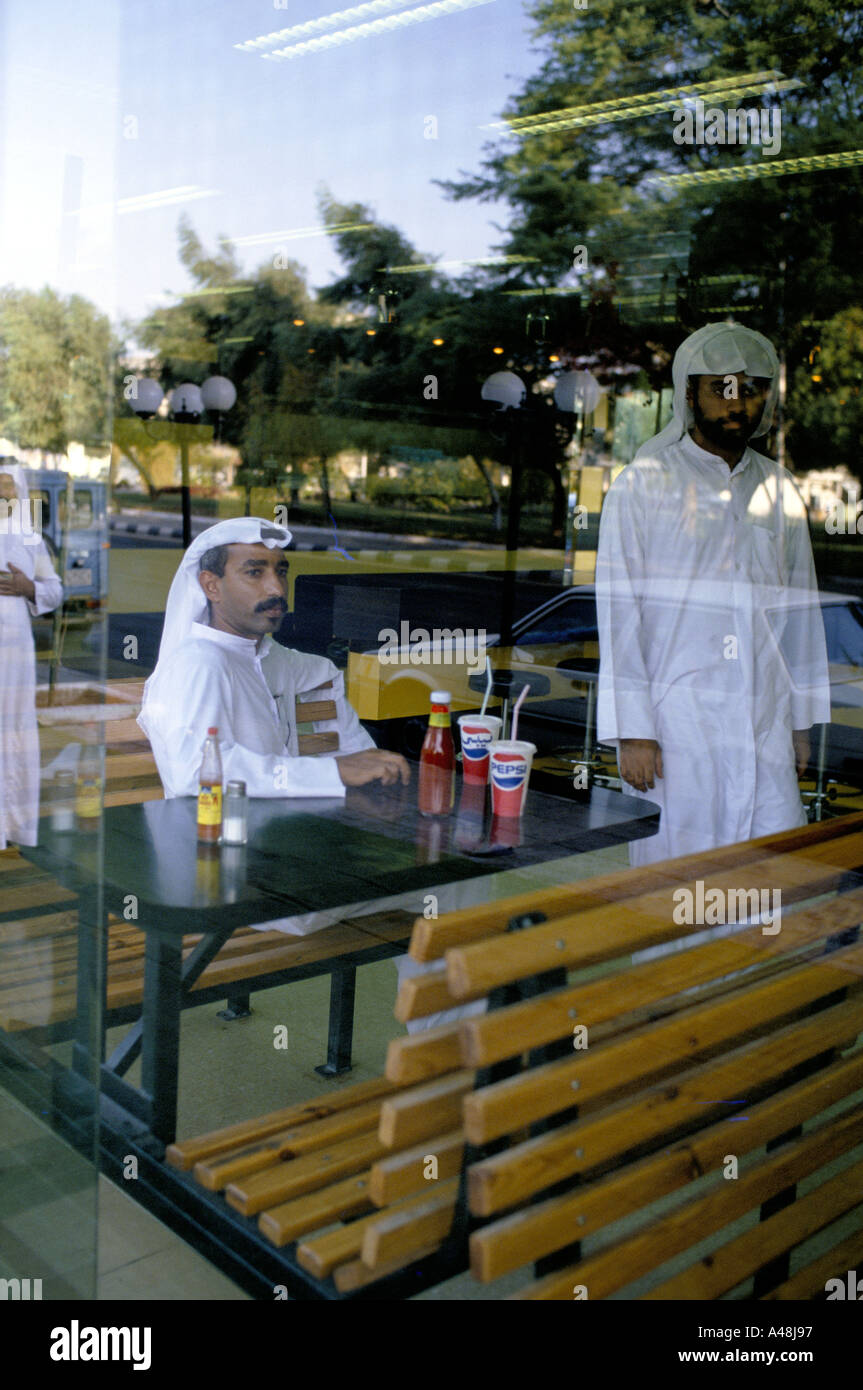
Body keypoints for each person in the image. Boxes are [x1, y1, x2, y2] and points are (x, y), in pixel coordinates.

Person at [596, 322, 831, 868]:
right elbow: (621, 614)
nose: (737, 403)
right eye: (721, 388)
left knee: (769, 877)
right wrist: (633, 732)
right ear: (688, 393)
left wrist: (799, 726)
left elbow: (799, 613)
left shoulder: (777, 489)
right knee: (678, 884)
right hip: (676, 729)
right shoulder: (644, 484)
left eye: (751, 389)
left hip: (764, 722)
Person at [138, 516, 410, 798]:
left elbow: (323, 674)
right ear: (211, 586)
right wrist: (333, 771)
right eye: (255, 573)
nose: (277, 589)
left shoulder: (268, 656)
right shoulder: (197, 663)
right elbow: (194, 773)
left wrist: (364, 761)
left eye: (281, 572)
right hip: (212, 834)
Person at [0, 462, 64, 850]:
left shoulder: (30, 541)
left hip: (15, 652)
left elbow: (55, 592)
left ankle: (13, 826)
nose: (3, 494)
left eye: (9, 487)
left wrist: (28, 587)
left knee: (13, 730)